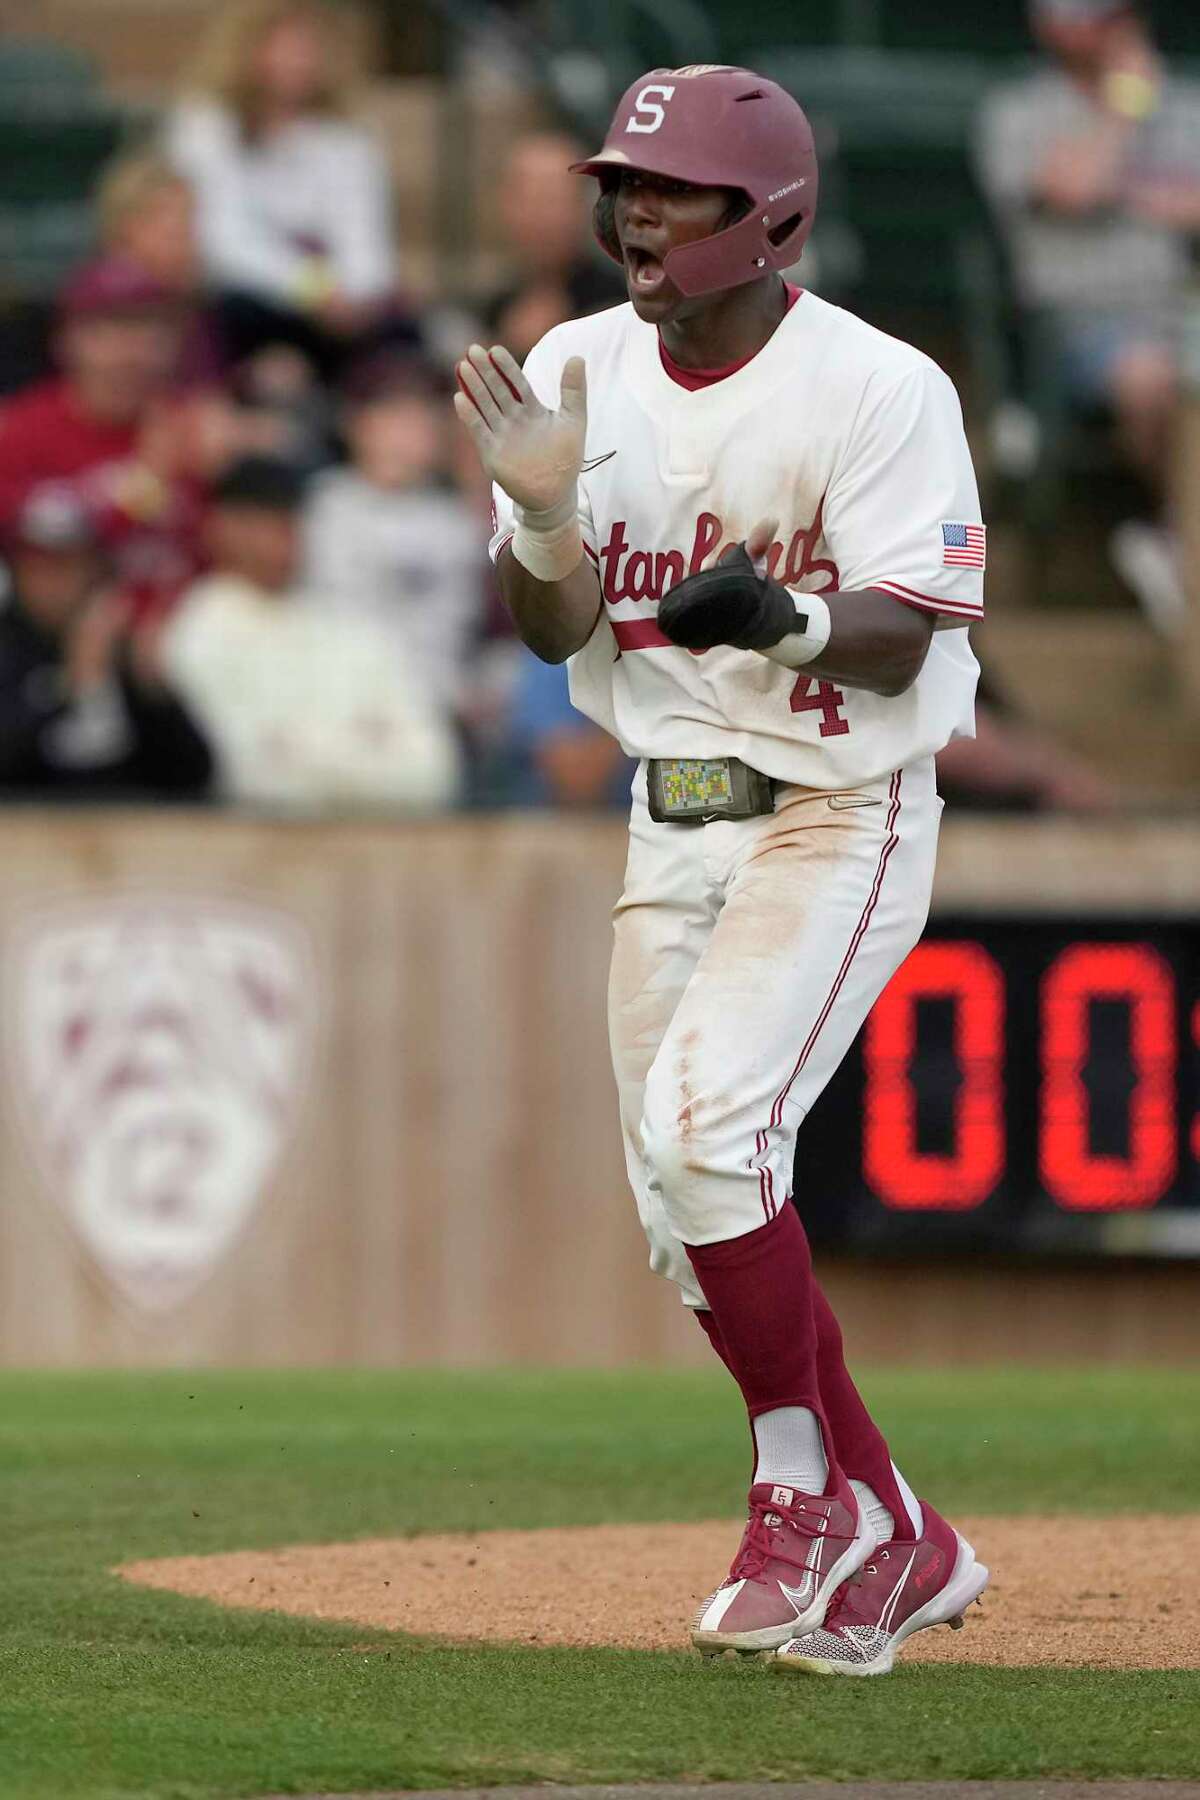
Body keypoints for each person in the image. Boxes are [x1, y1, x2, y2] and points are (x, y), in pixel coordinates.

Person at [455, 67, 990, 1678]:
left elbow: (905, 639)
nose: (635, 210)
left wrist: (786, 618)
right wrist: (543, 520)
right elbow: (550, 630)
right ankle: (900, 1525)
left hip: (836, 804)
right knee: (680, 1203)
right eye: (623, 182)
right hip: (671, 812)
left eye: (675, 188)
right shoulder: (574, 364)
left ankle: (798, 1498)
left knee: (706, 1136)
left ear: (774, 220)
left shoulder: (878, 384)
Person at [977, 0, 1200, 632]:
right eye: (1095, 17)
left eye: (1118, 15)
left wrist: (1119, 187)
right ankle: (1180, 541)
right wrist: (1125, 105)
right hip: (1075, 327)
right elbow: (1075, 187)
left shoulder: (1182, 100)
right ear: (1050, 27)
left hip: (1180, 309)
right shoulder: (1018, 109)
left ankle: (1174, 540)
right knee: (1150, 377)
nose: (1112, 30)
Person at [163, 456, 459, 814]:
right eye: (267, 522)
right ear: (224, 528)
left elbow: (433, 769)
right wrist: (362, 747)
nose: (286, 537)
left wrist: (302, 751)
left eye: (292, 520)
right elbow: (247, 775)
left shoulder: (348, 626)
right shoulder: (197, 632)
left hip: (369, 843)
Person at [165, 0, 408, 376]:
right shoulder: (206, 127)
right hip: (245, 303)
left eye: (309, 45)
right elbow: (222, 239)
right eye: (283, 44)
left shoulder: (349, 140)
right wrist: (315, 290)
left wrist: (353, 296)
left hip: (342, 315)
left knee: (400, 339)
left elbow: (368, 248)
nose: (298, 60)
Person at [0, 485, 212, 799]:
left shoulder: (120, 649)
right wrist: (69, 685)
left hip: (129, 824)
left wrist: (153, 694)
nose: (51, 584)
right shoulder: (8, 651)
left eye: (65, 566)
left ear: (95, 569)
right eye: (36, 567)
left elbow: (194, 774)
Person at [303, 354, 484, 718]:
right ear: (357, 423)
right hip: (344, 702)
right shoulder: (327, 503)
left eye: (423, 411)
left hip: (440, 707)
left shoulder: (457, 521)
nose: (414, 426)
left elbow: (463, 631)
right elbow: (335, 619)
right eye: (395, 412)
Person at [480, 132, 627, 361]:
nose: (538, 215)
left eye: (552, 199)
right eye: (526, 198)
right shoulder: (494, 308)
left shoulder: (618, 306)